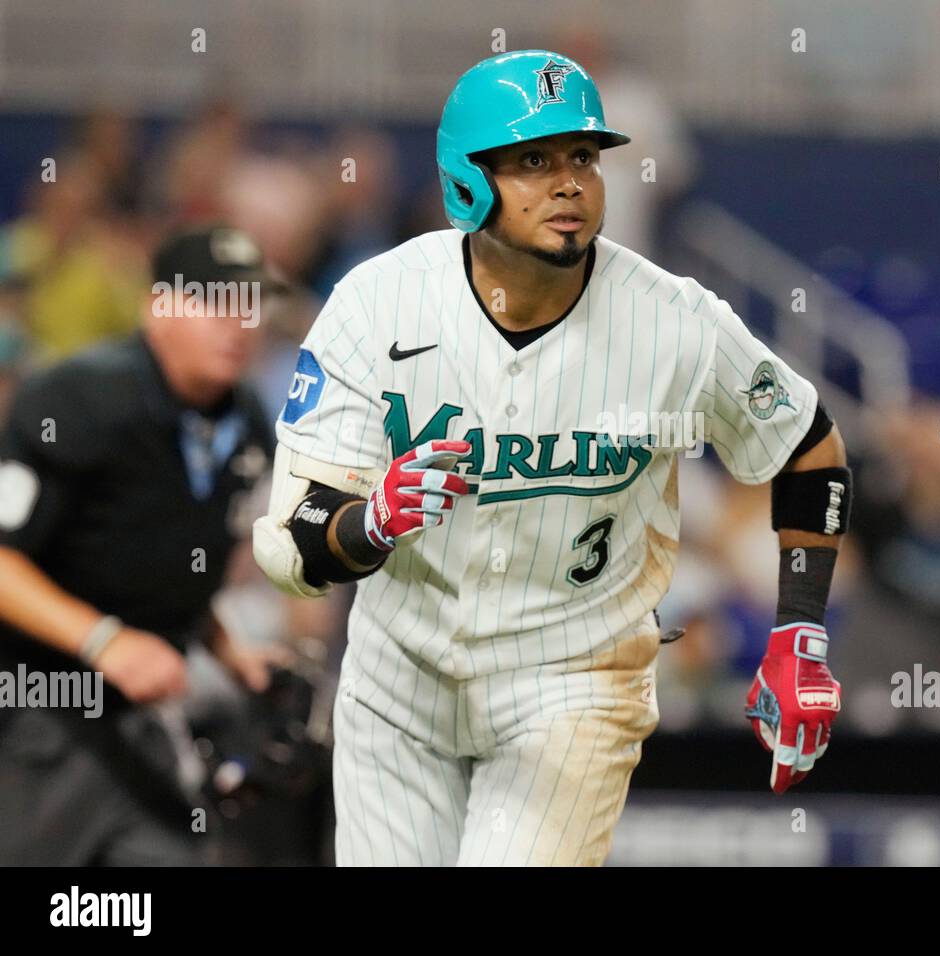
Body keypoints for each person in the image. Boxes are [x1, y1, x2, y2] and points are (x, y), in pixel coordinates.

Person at [254, 50, 852, 866]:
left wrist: (799, 636)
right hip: (400, 687)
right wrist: (372, 523)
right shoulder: (376, 301)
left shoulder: (674, 322)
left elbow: (809, 448)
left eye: (582, 158)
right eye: (533, 161)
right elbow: (294, 536)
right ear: (467, 180)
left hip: (573, 684)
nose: (568, 182)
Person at [0, 225, 282, 864]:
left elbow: (162, 566)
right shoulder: (78, 399)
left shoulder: (245, 423)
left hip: (144, 718)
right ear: (158, 307)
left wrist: (231, 651)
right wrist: (104, 640)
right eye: (214, 302)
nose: (238, 322)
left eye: (251, 302)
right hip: (36, 702)